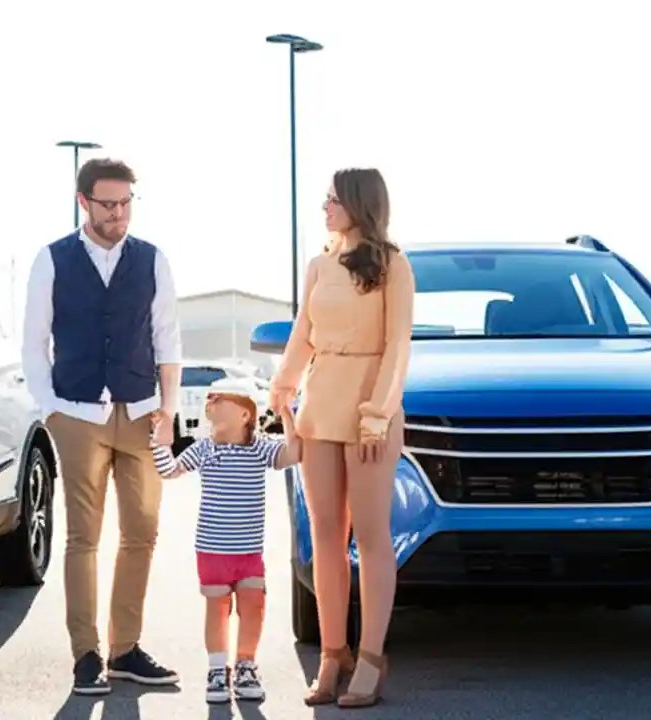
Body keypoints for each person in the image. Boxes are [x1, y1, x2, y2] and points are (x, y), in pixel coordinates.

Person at [21, 157, 183, 696]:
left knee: (142, 533)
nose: (119, 213)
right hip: (79, 414)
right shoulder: (52, 260)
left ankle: (126, 649)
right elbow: (34, 342)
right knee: (82, 538)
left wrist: (169, 410)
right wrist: (52, 408)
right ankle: (86, 654)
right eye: (109, 204)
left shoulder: (153, 260)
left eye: (126, 202)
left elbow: (167, 339)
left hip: (142, 415)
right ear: (83, 201)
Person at [268, 167, 414, 709]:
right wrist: (282, 387)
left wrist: (378, 413)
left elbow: (398, 345)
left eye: (333, 198)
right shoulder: (318, 266)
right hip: (320, 404)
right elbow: (302, 333)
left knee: (371, 536)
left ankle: (372, 656)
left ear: (359, 202)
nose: (325, 206)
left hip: (370, 407)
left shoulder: (394, 265)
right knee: (326, 534)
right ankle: (333, 654)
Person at [149, 379, 301, 705]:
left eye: (219, 399)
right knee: (217, 609)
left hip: (249, 551)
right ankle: (218, 669)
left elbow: (294, 454)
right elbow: (170, 470)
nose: (210, 402)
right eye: (209, 400)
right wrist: (160, 440)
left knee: (253, 608)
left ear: (245, 414)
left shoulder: (260, 448)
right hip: (212, 550)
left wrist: (287, 414)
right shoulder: (206, 448)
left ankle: (246, 665)